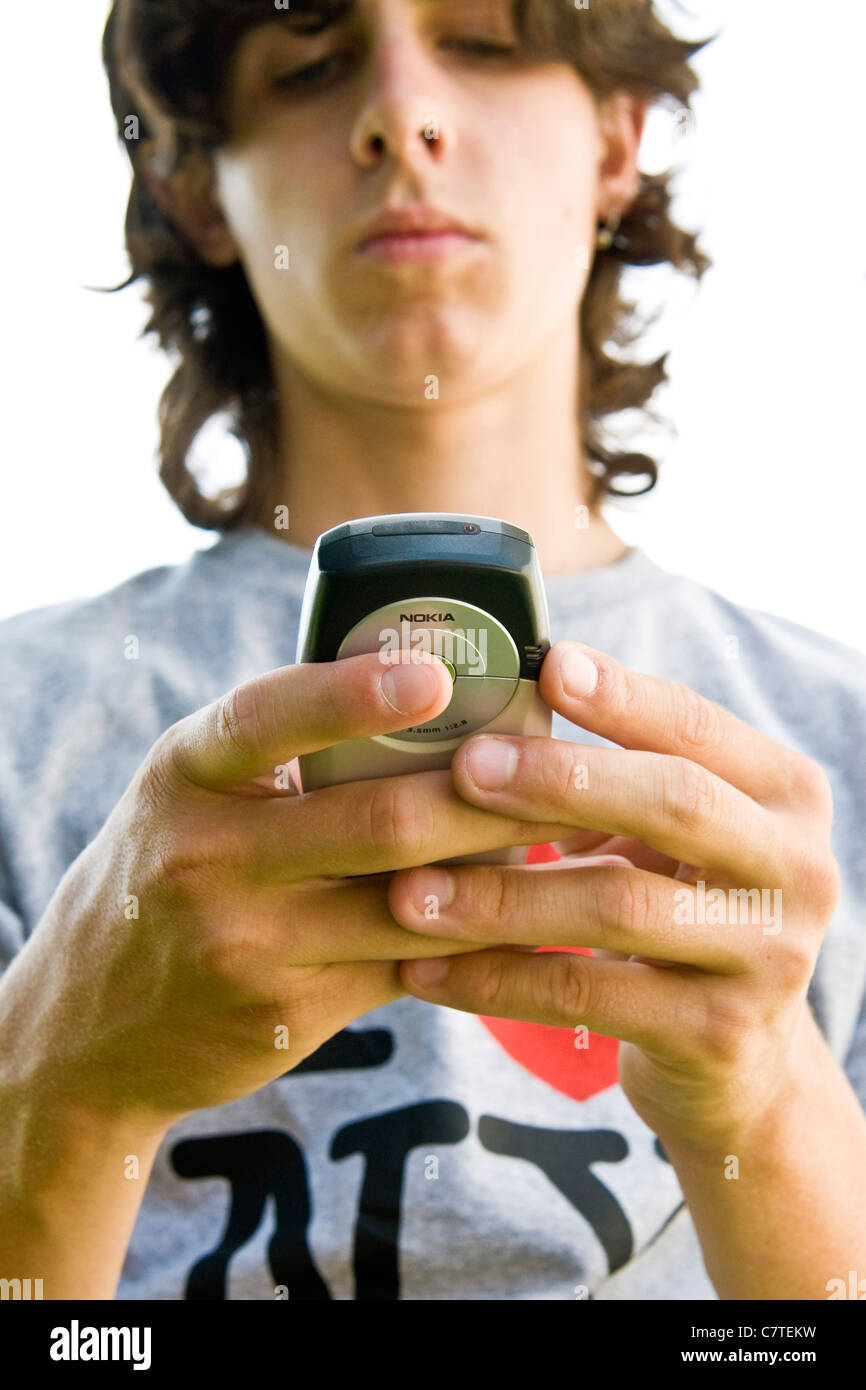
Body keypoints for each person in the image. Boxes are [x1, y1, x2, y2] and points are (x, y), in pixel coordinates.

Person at [1, 0, 864, 1303]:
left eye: (482, 40)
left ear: (616, 142)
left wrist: (764, 1099)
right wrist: (63, 1083)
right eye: (308, 62)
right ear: (195, 191)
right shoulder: (20, 726)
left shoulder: (838, 744)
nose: (398, 117)